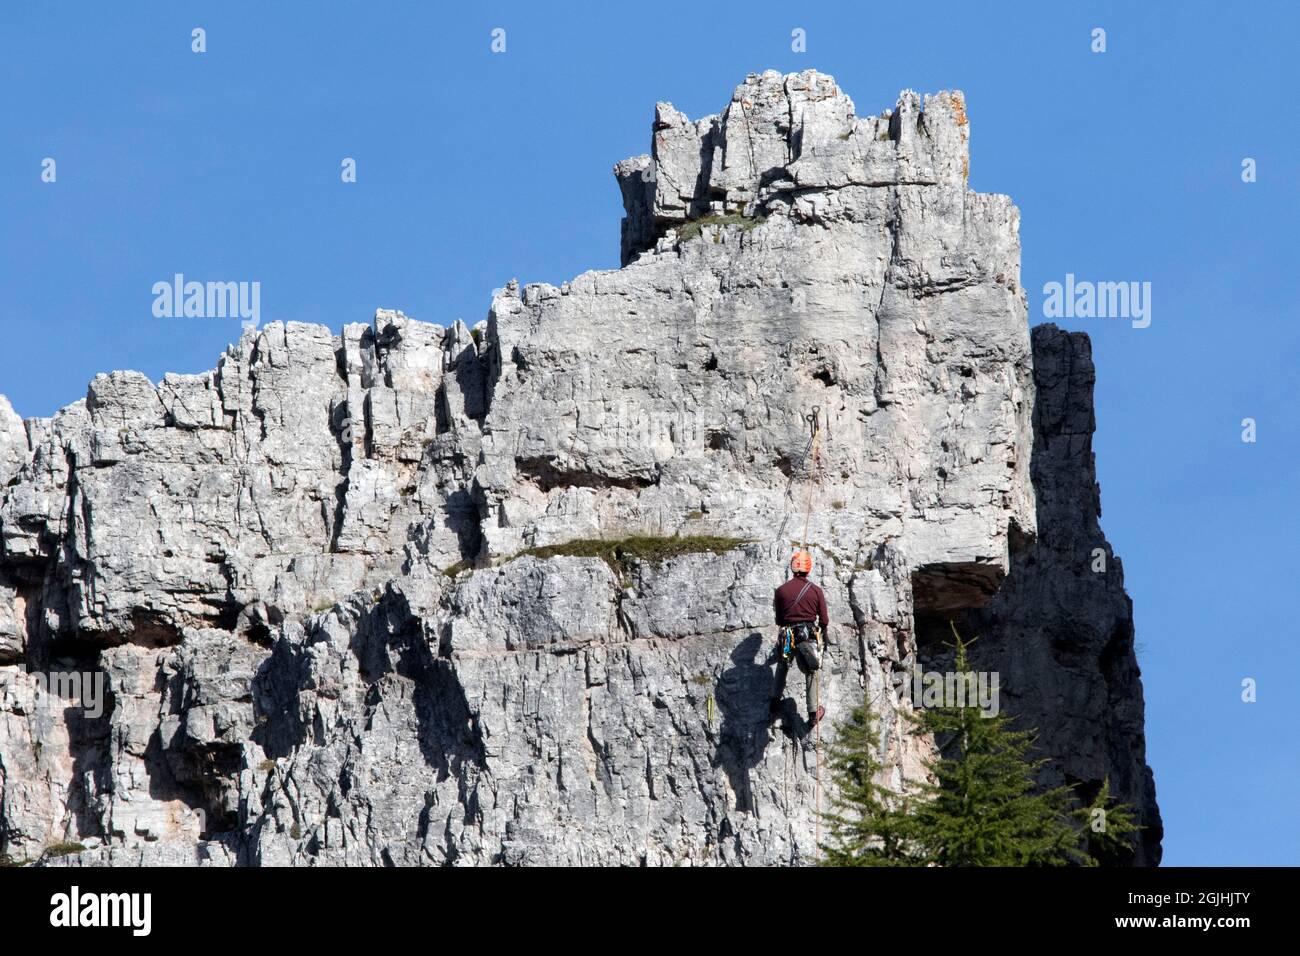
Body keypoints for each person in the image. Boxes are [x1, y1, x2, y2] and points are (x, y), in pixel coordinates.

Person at [771, 550, 828, 729]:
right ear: (808, 569)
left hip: (788, 635)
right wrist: (822, 634)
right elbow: (824, 620)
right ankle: (813, 713)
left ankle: (774, 703)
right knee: (811, 670)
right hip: (807, 636)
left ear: (793, 567)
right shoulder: (816, 591)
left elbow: (779, 620)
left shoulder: (781, 591)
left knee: (783, 666)